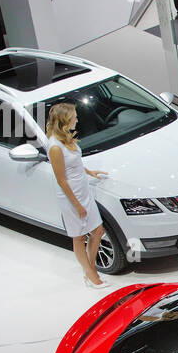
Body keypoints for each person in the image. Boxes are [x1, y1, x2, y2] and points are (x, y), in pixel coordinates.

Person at [45, 102, 109, 288]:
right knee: (79, 237)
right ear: (65, 121)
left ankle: (89, 268)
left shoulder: (67, 139)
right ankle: (91, 274)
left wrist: (90, 172)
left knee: (97, 231)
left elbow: (75, 163)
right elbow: (61, 179)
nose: (77, 120)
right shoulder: (55, 147)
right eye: (74, 117)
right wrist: (77, 205)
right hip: (71, 197)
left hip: (83, 191)